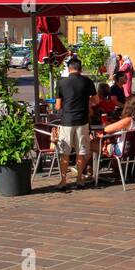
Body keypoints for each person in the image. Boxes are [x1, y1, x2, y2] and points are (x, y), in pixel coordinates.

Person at [55, 57, 98, 191]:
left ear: (69, 69)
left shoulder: (62, 82)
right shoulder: (87, 81)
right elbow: (96, 100)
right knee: (81, 152)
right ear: (81, 69)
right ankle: (79, 179)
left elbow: (57, 106)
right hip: (82, 121)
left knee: (64, 152)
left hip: (67, 121)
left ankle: (63, 181)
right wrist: (87, 101)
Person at [100, 94, 135, 159]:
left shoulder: (129, 120)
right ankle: (115, 167)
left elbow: (106, 129)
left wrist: (108, 123)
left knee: (93, 144)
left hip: (123, 150)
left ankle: (91, 168)